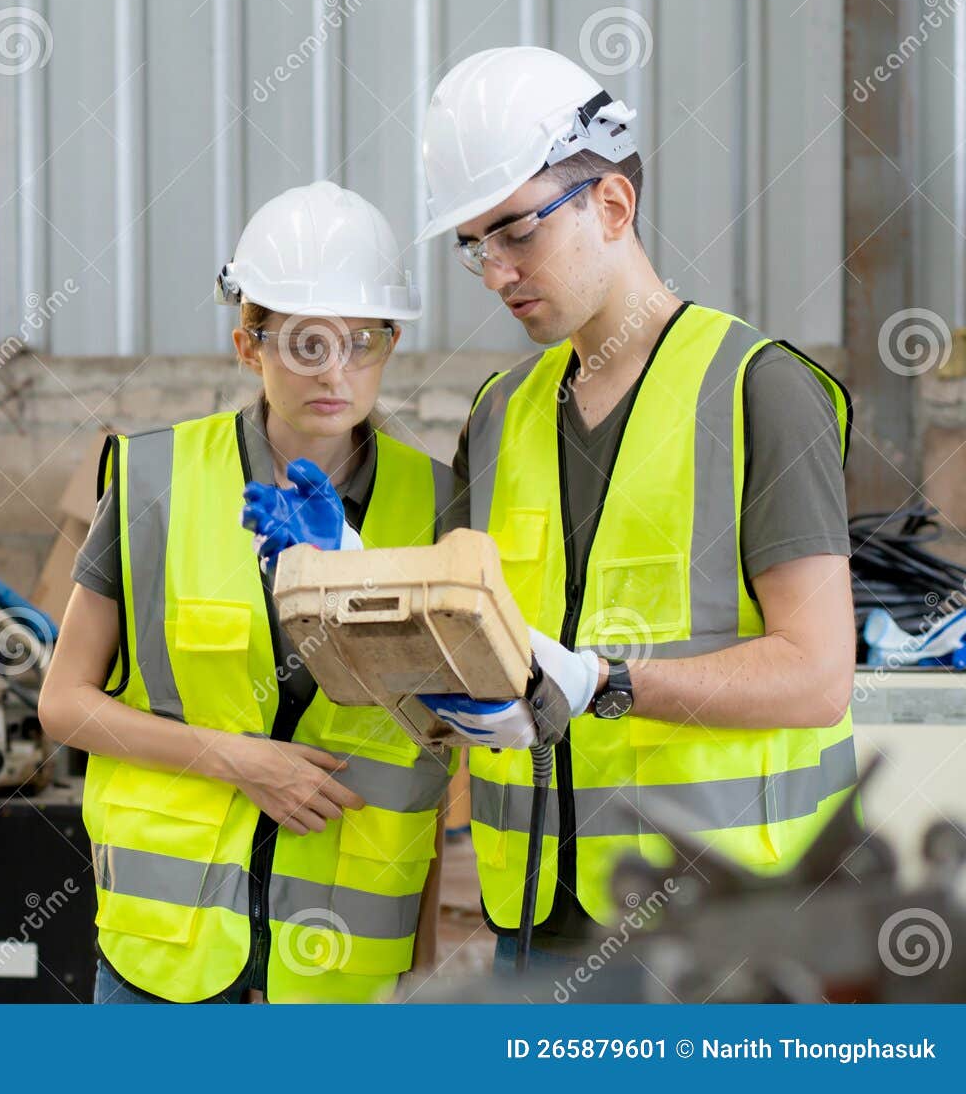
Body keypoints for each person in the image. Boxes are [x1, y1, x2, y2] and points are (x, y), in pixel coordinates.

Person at [248, 47, 857, 974]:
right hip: (538, 925)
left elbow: (817, 675)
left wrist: (604, 681)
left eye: (516, 232)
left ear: (611, 206)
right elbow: (472, 639)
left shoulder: (756, 391)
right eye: (472, 245)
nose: (494, 272)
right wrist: (350, 569)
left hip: (728, 932)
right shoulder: (500, 414)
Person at [38, 180, 457, 1003]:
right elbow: (64, 703)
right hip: (166, 962)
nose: (335, 370)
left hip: (347, 964)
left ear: (391, 342)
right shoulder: (155, 481)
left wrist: (425, 953)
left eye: (362, 340)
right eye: (304, 342)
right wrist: (239, 760)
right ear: (248, 344)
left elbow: (434, 751)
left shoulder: (442, 507)